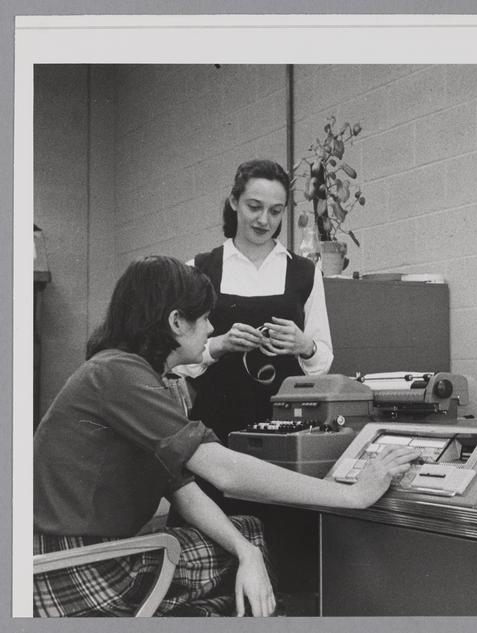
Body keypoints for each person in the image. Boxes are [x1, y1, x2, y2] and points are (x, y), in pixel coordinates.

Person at [33, 256, 417, 617]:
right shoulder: (119, 375)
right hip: (73, 566)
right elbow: (225, 473)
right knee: (251, 562)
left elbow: (183, 490)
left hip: (79, 555)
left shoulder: (134, 376)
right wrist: (350, 494)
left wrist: (246, 551)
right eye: (204, 318)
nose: (212, 329)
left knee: (246, 538)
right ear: (176, 322)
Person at [176, 158, 332, 444]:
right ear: (234, 202)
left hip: (287, 429)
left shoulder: (305, 273)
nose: (264, 221)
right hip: (214, 429)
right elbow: (177, 362)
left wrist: (305, 347)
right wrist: (218, 345)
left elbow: (322, 362)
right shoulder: (198, 269)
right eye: (254, 207)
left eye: (275, 211)